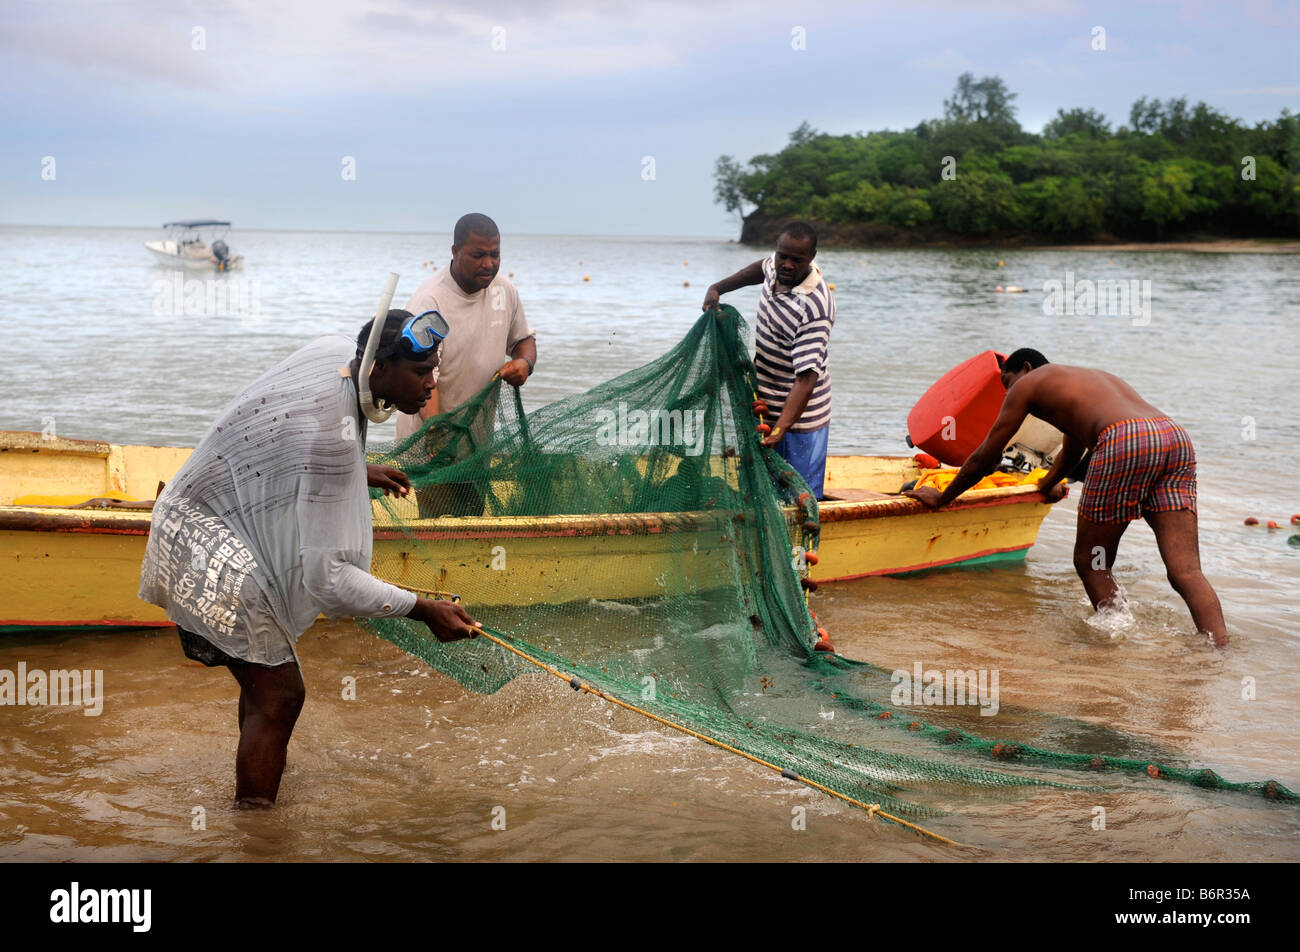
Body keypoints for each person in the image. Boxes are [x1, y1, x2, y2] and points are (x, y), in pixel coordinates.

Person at [139, 309, 482, 807]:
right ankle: (255, 830)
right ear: (378, 369)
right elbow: (331, 581)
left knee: (266, 687)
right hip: (207, 543)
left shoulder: (337, 349)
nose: (432, 383)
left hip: (189, 515)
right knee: (281, 694)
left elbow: (283, 420)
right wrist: (422, 609)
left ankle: (253, 797)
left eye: (433, 368)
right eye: (420, 372)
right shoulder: (332, 436)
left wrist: (358, 467)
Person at [904, 348, 1227, 647]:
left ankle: (1113, 646)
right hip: (1174, 437)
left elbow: (986, 456)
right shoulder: (1081, 383)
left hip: (1125, 438)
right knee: (1186, 572)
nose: (1007, 392)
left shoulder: (1027, 386)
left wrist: (943, 497)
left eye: (1007, 382)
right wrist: (1046, 484)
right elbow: (1072, 451)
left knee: (1091, 562)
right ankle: (1218, 649)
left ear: (1026, 369)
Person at [396, 213, 536, 515]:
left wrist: (524, 363)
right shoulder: (430, 302)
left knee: (471, 519)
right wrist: (436, 435)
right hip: (431, 439)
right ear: (455, 251)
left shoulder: (504, 290)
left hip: (476, 444)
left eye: (494, 254)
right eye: (478, 255)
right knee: (442, 526)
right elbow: (419, 377)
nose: (488, 263)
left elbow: (524, 340)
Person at [702, 221, 835, 498]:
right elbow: (759, 269)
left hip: (800, 420)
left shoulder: (815, 306)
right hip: (763, 402)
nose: (786, 265)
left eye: (796, 260)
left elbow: (806, 379)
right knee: (760, 489)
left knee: (799, 495)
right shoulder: (776, 268)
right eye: (781, 256)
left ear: (811, 258)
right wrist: (718, 288)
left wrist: (780, 430)